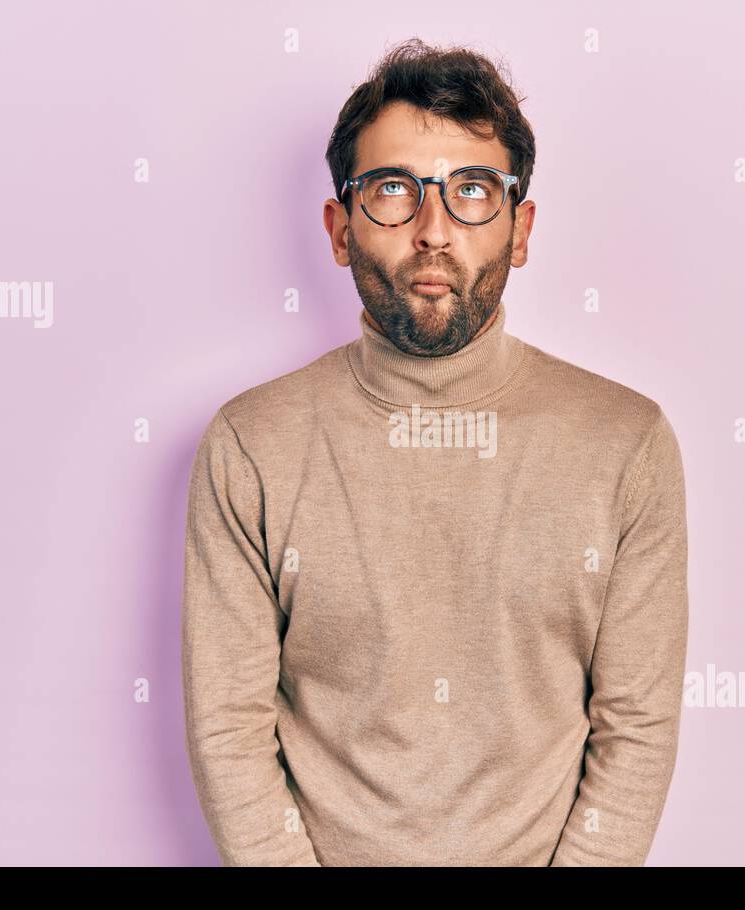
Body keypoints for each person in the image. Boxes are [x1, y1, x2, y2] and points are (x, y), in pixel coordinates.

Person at [182, 37, 688, 866]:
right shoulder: (250, 445)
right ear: (340, 229)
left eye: (472, 192)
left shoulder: (625, 444)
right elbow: (228, 729)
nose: (433, 231)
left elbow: (636, 727)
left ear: (520, 230)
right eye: (393, 191)